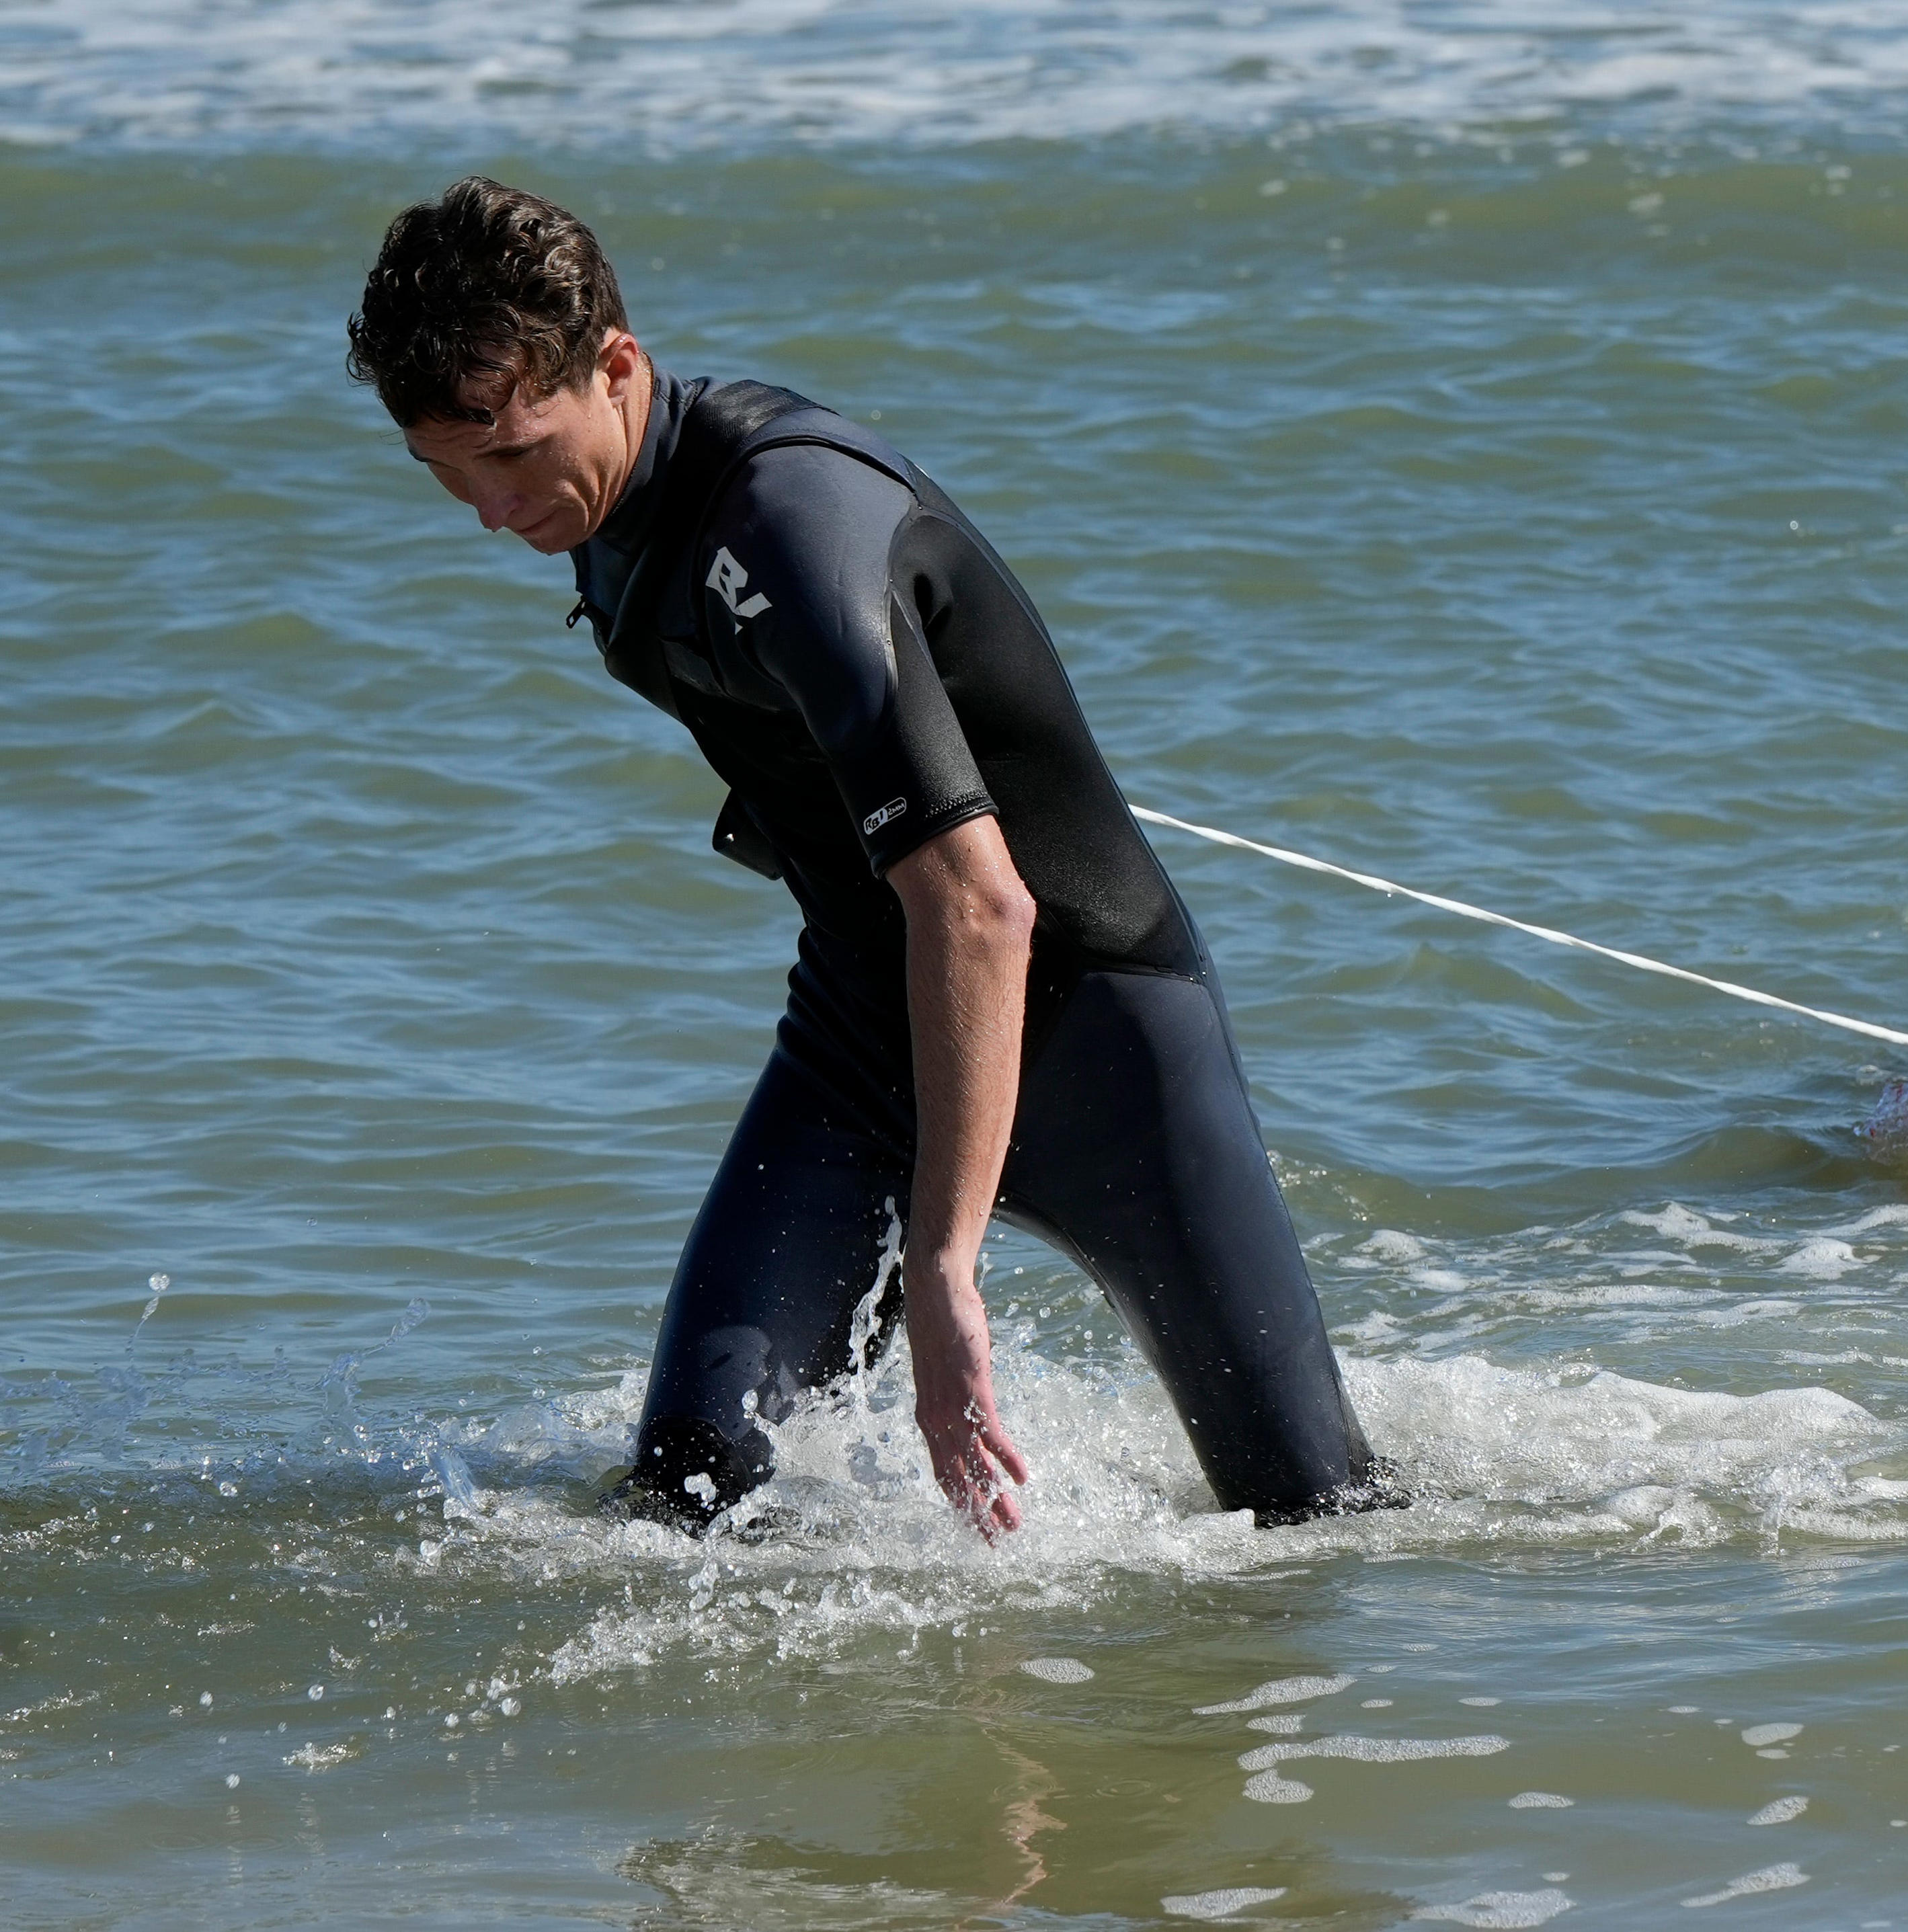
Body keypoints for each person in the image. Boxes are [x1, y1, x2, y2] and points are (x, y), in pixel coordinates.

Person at [347, 178, 1390, 1535]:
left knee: (1321, 1527)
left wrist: (946, 1271)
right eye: (448, 470)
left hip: (1099, 1041)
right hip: (862, 1036)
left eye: (511, 454)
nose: (490, 511)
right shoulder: (606, 520)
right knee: (688, 1504)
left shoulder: (789, 523)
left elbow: (979, 904)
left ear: (617, 366)